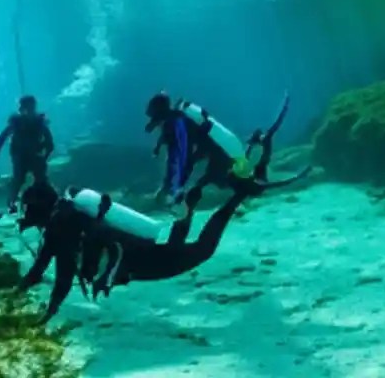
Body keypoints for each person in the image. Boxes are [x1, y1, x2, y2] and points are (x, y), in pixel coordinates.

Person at [16, 163, 310, 323]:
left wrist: (47, 313)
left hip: (138, 263)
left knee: (201, 251)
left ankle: (238, 194)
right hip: (138, 256)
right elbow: (45, 267)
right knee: (176, 250)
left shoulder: (60, 227)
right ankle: (189, 208)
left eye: (28, 209)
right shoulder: (67, 219)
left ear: (40, 207)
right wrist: (20, 290)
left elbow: (61, 275)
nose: (25, 216)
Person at [146, 91, 290, 205]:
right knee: (222, 178)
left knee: (222, 181)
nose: (158, 127)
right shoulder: (183, 117)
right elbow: (192, 152)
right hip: (225, 146)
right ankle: (255, 148)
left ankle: (252, 181)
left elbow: (180, 159)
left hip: (223, 151)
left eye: (158, 122)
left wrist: (168, 187)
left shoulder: (179, 125)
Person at [0, 95, 55, 214]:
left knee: (40, 179)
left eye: (30, 107)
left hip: (34, 155)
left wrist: (44, 157)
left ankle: (44, 204)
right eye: (26, 107)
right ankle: (12, 204)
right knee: (18, 180)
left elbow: (49, 143)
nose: (28, 110)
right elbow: (3, 137)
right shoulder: (17, 123)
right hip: (20, 156)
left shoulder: (39, 123)